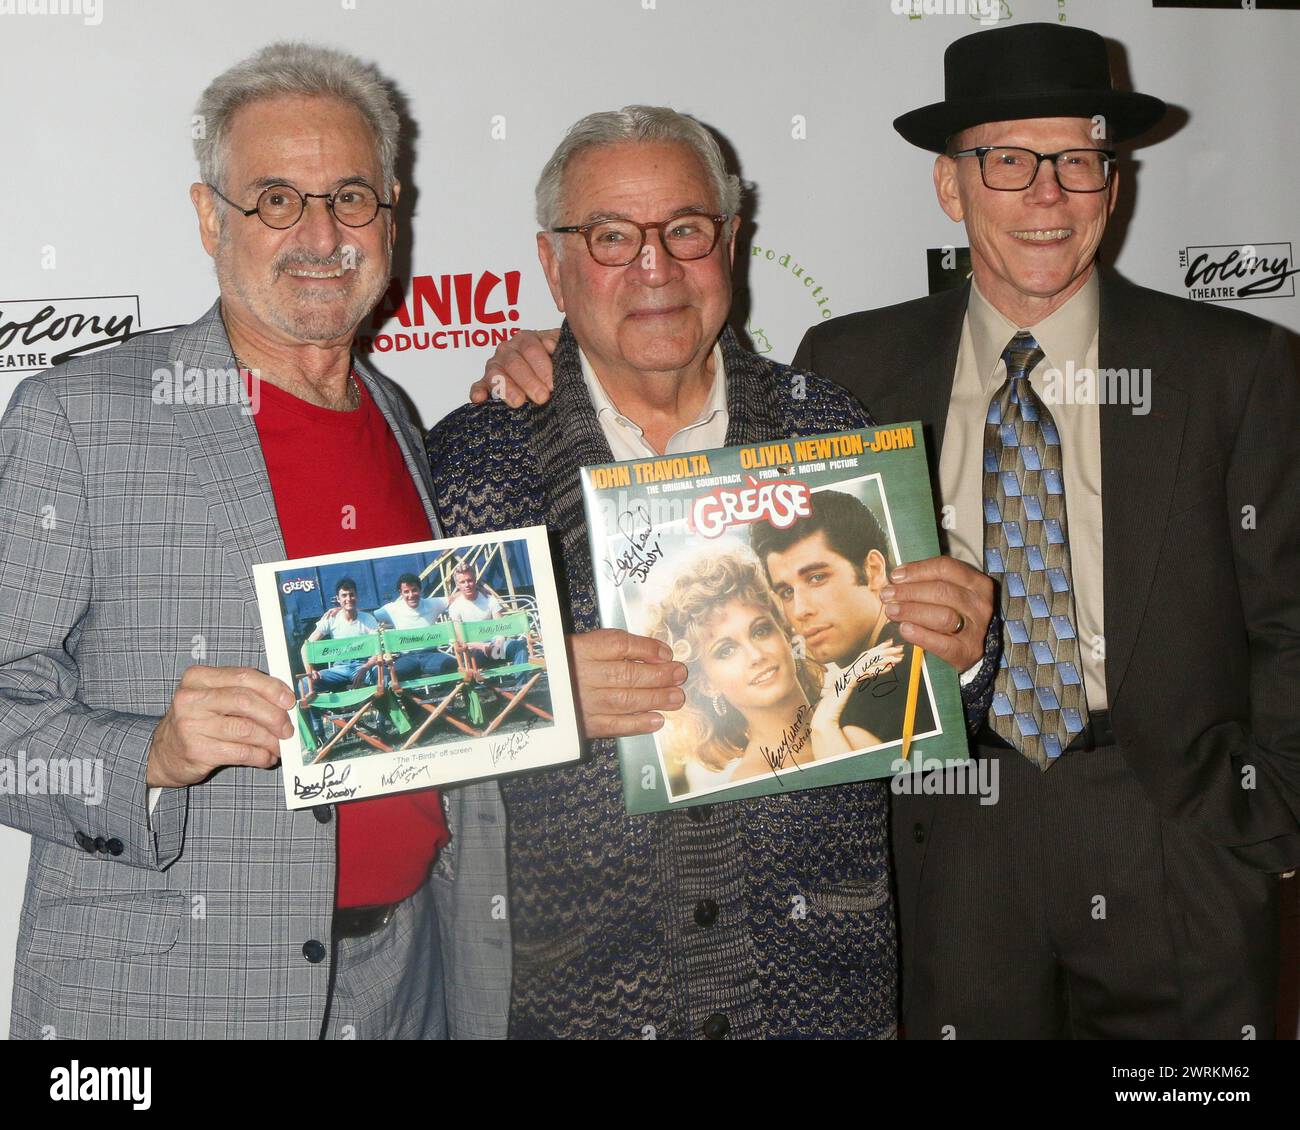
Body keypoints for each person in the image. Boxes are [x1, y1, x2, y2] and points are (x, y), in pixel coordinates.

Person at [474, 25, 1300, 1039]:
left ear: (1112, 185)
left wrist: (1268, 819)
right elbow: (661, 342)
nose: (1045, 196)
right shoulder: (851, 365)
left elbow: (1288, 617)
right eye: (1006, 161)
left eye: (1077, 161)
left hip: (1175, 839)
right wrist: (552, 353)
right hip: (945, 845)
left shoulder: (1238, 364)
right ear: (952, 189)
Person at [428, 105, 996, 1039]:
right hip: (583, 1000)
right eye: (612, 236)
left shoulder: (831, 431)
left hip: (818, 992)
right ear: (551, 262)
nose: (655, 268)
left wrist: (965, 654)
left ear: (730, 243)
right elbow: (408, 731)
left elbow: (918, 714)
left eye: (686, 230)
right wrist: (538, 688)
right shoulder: (474, 460)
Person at [0, 42, 508, 1039]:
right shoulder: (79, 416)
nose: (320, 233)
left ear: (390, 213)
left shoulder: (399, 415)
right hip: (178, 1000)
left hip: (404, 979)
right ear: (209, 217)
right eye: (276, 200)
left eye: (350, 198)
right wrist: (147, 750)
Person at [642, 549, 904, 795]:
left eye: (760, 630)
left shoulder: (863, 714)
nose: (756, 655)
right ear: (707, 684)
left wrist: (825, 725)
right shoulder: (750, 783)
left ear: (785, 633)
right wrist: (824, 727)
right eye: (726, 650)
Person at [751, 489, 937, 747]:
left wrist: (823, 727)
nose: (799, 610)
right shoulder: (917, 641)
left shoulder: (862, 712)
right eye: (786, 592)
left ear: (872, 571)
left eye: (817, 578)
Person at [301, 576, 383, 691]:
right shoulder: (331, 619)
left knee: (384, 676)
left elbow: (379, 649)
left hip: (363, 666)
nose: (348, 598)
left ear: (357, 596)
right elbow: (306, 647)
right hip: (338, 669)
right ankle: (328, 709)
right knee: (304, 684)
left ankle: (383, 707)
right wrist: (310, 670)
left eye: (351, 594)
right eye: (344, 595)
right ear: (338, 599)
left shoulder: (368, 619)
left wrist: (366, 667)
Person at [373, 572, 458, 683]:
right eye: (406, 592)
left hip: (431, 655)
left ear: (420, 590)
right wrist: (343, 610)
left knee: (451, 664)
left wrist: (477, 589)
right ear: (401, 593)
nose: (411, 595)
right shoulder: (391, 609)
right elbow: (369, 617)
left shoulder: (432, 604)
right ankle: (415, 701)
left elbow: (453, 598)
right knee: (390, 675)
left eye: (414, 590)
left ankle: (447, 698)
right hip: (407, 658)